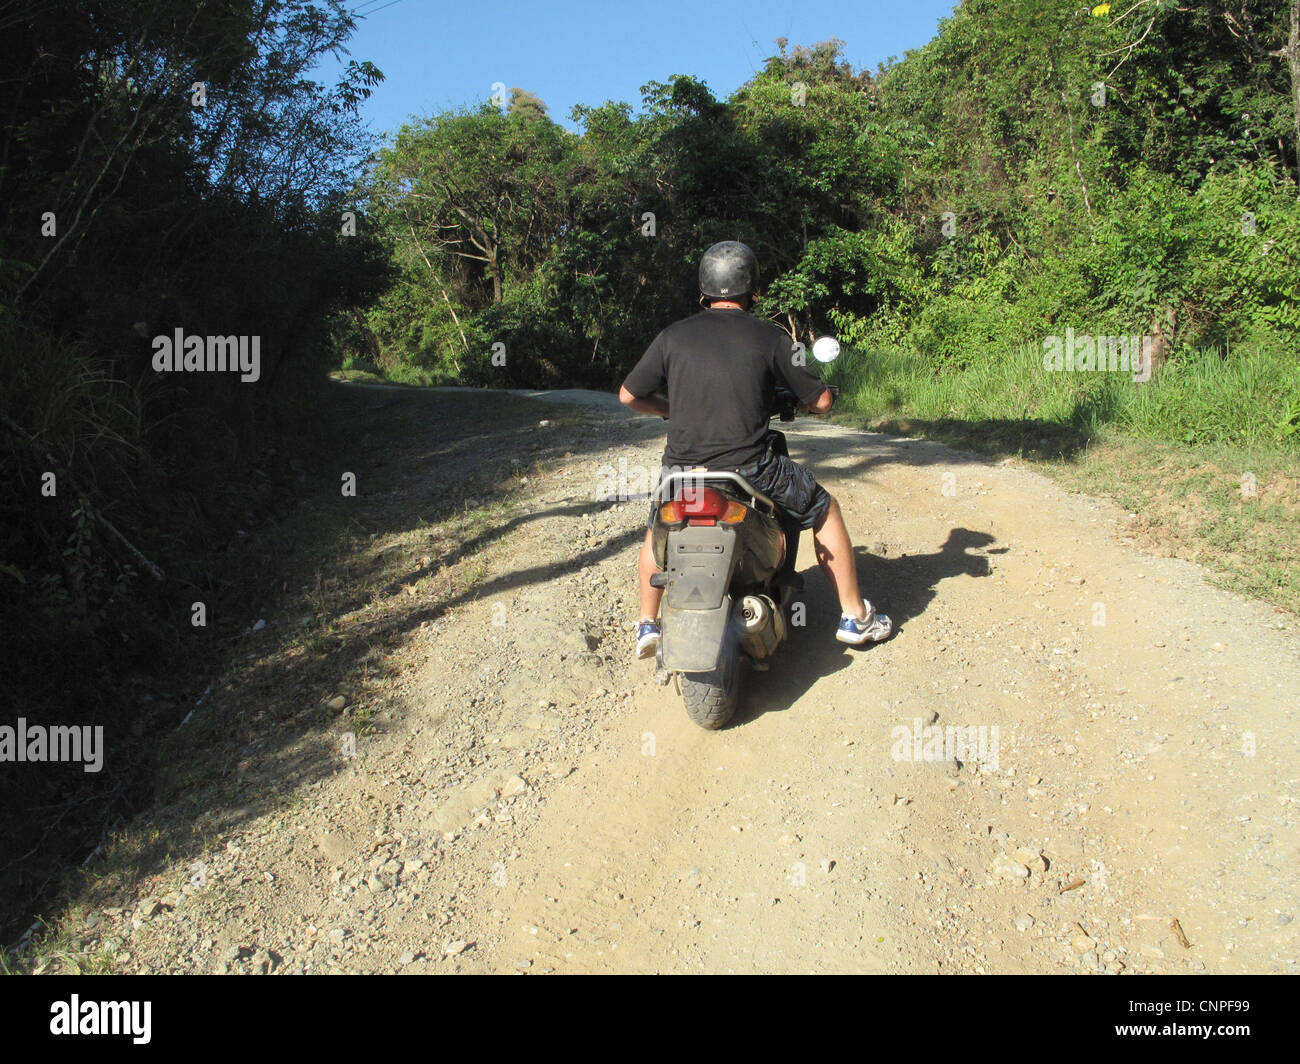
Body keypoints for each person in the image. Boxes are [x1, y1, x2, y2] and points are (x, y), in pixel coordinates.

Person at [618, 240, 892, 660]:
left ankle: (647, 624)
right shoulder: (770, 337)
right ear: (753, 292)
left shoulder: (673, 335)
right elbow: (820, 401)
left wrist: (667, 410)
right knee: (822, 507)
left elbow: (627, 394)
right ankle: (856, 617)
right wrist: (811, 400)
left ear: (704, 292)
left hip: (682, 471)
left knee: (659, 528)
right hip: (752, 468)